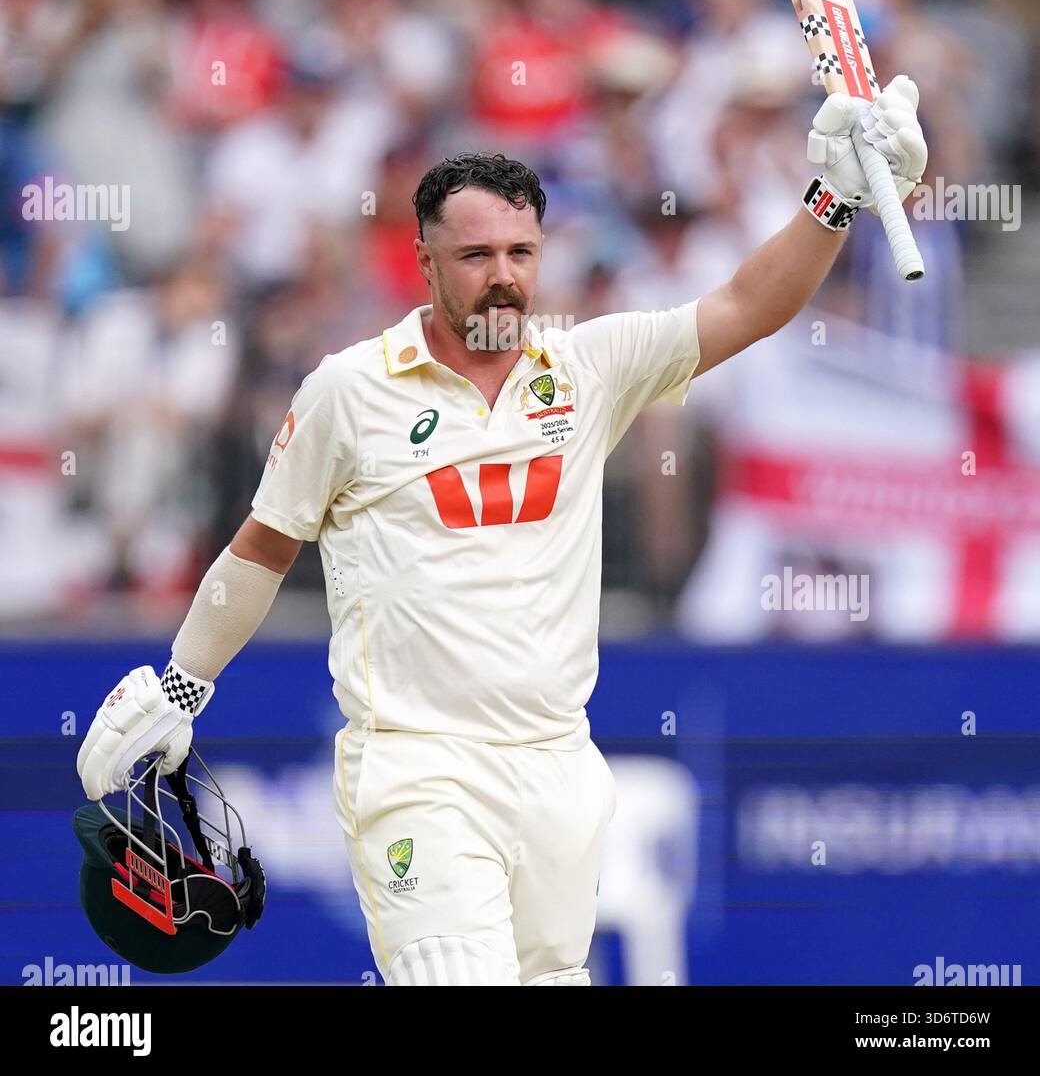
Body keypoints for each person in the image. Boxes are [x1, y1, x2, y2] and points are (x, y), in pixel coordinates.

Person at [76, 79, 928, 985]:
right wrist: (182, 684)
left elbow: (747, 304)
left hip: (559, 768)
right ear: (425, 260)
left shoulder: (590, 366)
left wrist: (834, 200)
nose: (504, 275)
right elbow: (263, 547)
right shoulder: (350, 389)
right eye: (476, 254)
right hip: (416, 770)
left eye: (522, 251)